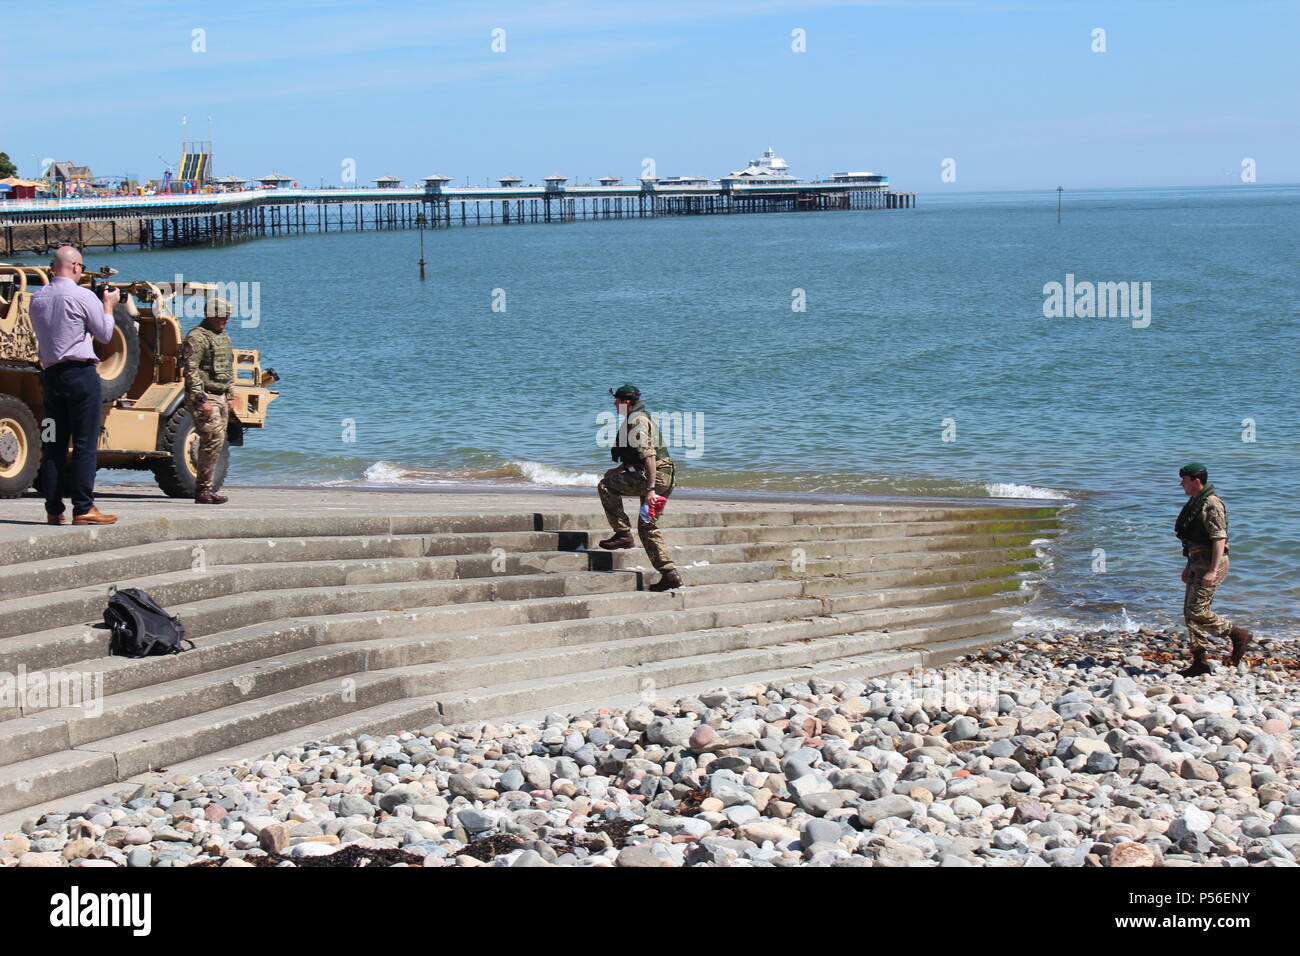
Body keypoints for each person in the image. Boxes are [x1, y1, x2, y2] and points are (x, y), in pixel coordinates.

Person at [29, 246, 117, 525]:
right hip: (80, 376)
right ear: (77, 267)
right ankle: (83, 508)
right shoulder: (82, 295)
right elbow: (104, 334)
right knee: (83, 443)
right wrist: (108, 306)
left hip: (50, 377)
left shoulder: (37, 297)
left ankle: (54, 509)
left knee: (52, 443)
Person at [598, 384, 681, 591]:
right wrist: (618, 470)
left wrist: (651, 489)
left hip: (655, 478)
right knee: (647, 526)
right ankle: (669, 574)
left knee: (605, 487)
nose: (614, 404)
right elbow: (633, 457)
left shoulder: (636, 421)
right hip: (664, 476)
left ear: (626, 402)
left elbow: (649, 455)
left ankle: (623, 533)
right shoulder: (638, 417)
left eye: (617, 401)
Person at [1174, 462, 1251, 676]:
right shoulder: (1195, 502)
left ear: (1196, 481)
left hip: (1211, 564)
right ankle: (1199, 661)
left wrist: (1212, 571)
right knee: (1190, 613)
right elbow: (1192, 539)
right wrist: (1188, 565)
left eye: (1185, 480)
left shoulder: (1211, 504)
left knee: (1198, 610)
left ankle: (1237, 634)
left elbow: (1219, 539)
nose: (1181, 484)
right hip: (1197, 562)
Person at [181, 296, 235, 504]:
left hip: (220, 395)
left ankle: (207, 488)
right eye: (223, 316)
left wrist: (230, 395)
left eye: (228, 316)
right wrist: (201, 398)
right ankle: (203, 490)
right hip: (205, 395)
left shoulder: (223, 336)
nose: (227, 320)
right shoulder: (197, 337)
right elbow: (191, 370)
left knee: (218, 441)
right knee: (212, 439)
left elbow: (228, 367)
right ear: (211, 315)